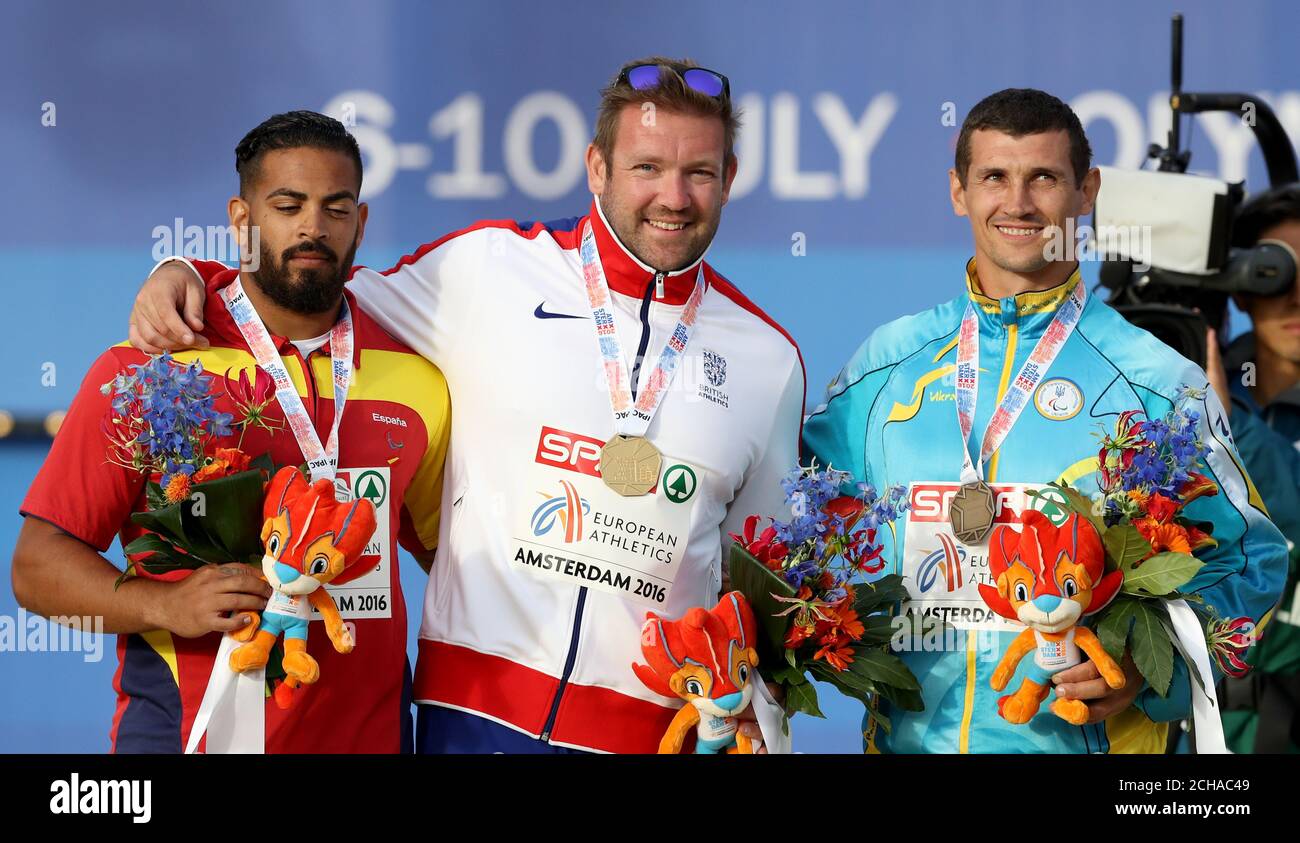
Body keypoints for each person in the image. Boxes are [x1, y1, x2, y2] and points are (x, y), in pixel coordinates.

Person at [125, 58, 804, 754]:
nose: (675, 196)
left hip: (651, 735)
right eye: (647, 167)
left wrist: (760, 703)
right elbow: (311, 293)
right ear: (596, 167)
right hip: (469, 720)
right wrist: (191, 275)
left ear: (731, 177)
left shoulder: (768, 360)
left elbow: (761, 581)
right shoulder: (487, 268)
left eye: (699, 172)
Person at [802, 88, 1289, 753]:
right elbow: (786, 525)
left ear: (1086, 190)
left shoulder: (1154, 382)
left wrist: (1150, 674)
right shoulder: (886, 367)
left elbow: (1256, 560)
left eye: (1044, 178)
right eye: (994, 177)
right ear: (958, 190)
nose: (1019, 203)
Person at [12, 111, 451, 753]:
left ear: (360, 225)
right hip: (188, 735)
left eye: (335, 207)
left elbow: (453, 556)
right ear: (241, 221)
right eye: (287, 205)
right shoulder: (150, 369)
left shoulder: (416, 379)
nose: (312, 226)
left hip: (371, 740)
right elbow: (35, 566)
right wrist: (163, 606)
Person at [1205, 184, 1300, 752]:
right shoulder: (1177, 383)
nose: (1296, 298)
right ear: (1242, 288)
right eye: (1276, 273)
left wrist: (1225, 425)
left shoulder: (1220, 410)